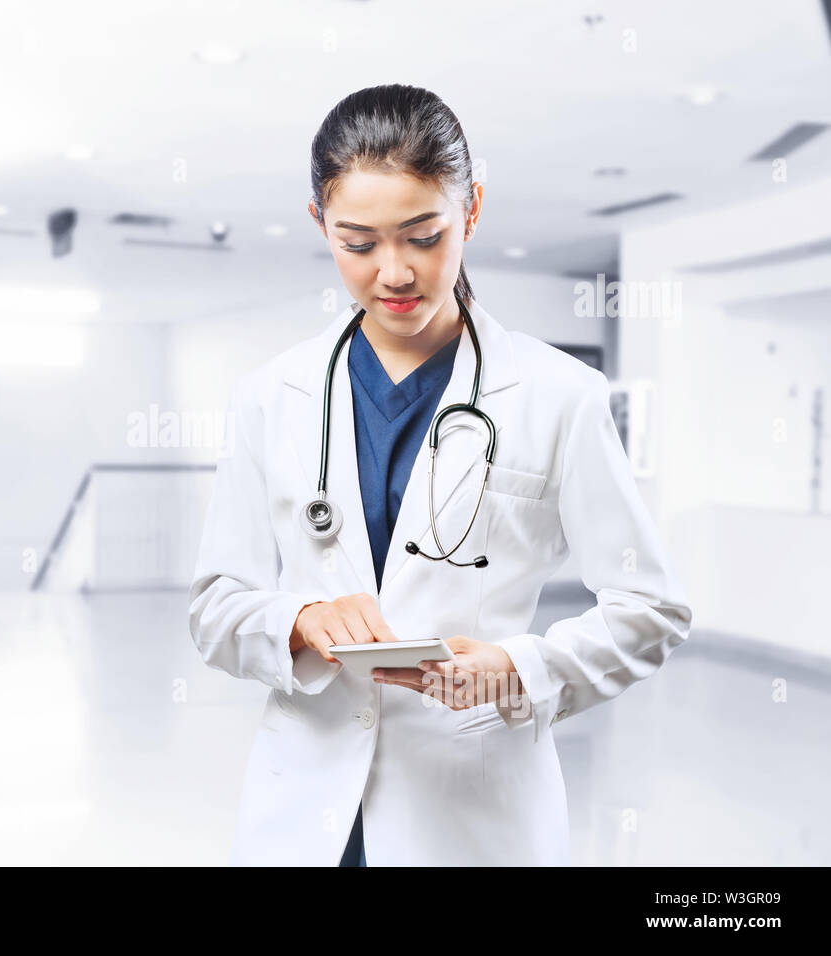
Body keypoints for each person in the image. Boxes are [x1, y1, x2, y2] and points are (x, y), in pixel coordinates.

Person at [188, 83, 692, 866]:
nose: (394, 272)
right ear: (321, 224)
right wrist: (296, 623)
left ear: (473, 209)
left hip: (473, 815)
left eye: (424, 235)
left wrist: (522, 670)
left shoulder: (560, 396)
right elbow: (216, 607)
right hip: (308, 815)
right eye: (358, 243)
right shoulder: (268, 398)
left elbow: (652, 608)